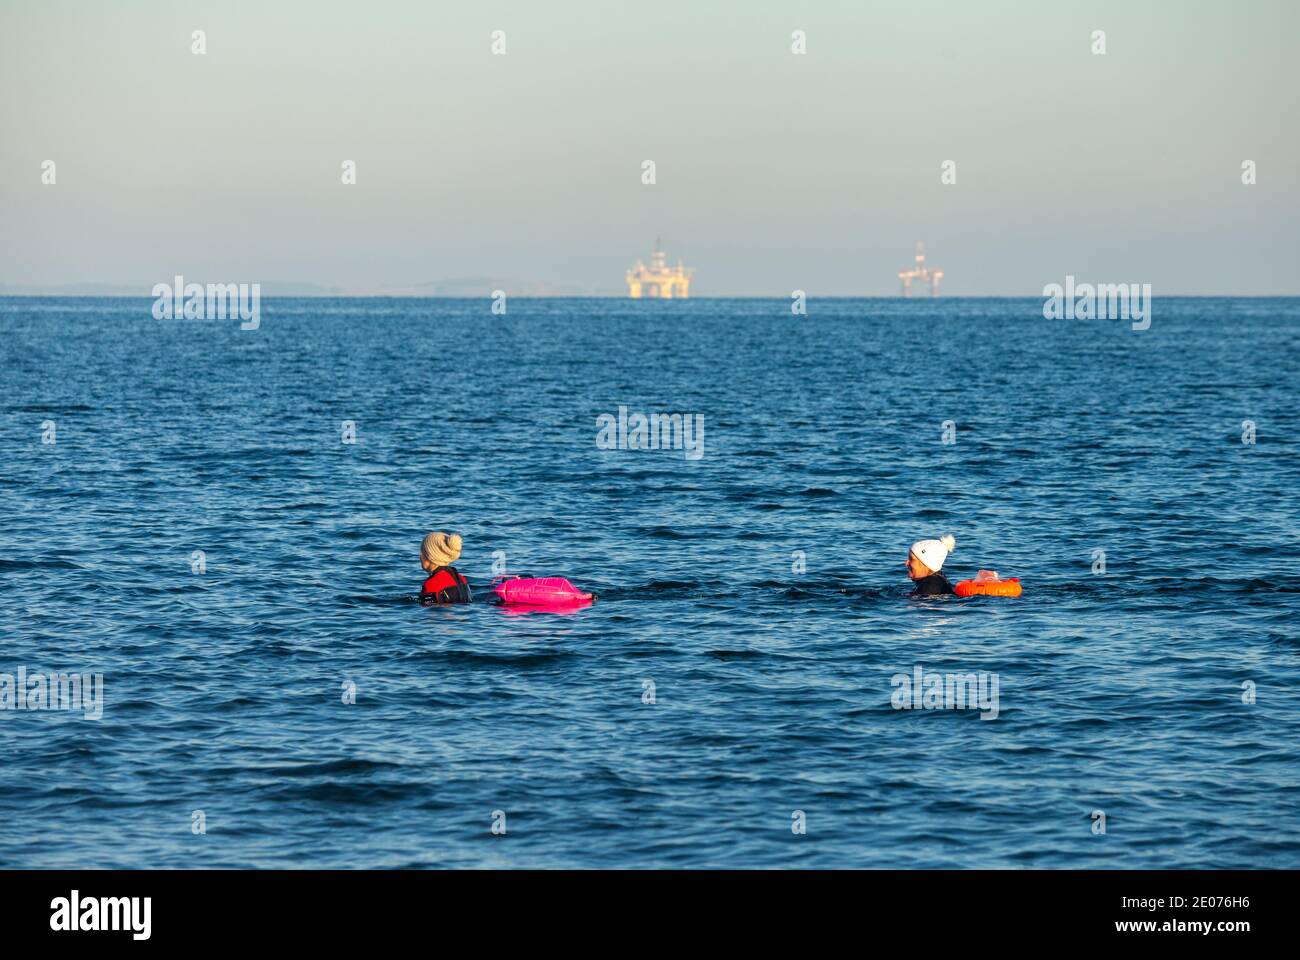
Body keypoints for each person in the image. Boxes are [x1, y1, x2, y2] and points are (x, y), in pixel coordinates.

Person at [420, 531, 472, 604]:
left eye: (422, 552)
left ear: (431, 556)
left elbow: (429, 611)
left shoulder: (432, 584)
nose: (420, 556)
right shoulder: (462, 579)